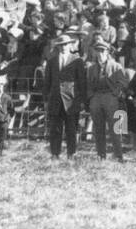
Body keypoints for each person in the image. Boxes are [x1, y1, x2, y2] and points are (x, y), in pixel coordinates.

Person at [85, 37, 129, 161]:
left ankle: (118, 155)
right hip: (96, 98)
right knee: (98, 128)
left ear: (108, 52)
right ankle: (101, 155)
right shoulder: (91, 68)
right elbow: (88, 84)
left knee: (115, 129)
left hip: (111, 98)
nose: (100, 53)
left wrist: (116, 93)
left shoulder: (116, 66)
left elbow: (123, 82)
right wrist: (91, 96)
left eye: (103, 51)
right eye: (97, 51)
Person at [43, 31, 85, 159]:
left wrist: (81, 100)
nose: (63, 47)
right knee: (55, 129)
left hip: (71, 101)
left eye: (65, 44)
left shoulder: (77, 61)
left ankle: (71, 153)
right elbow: (47, 82)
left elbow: (82, 82)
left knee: (71, 129)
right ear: (58, 46)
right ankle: (55, 153)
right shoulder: (51, 61)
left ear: (70, 45)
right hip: (55, 99)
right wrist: (46, 100)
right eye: (60, 45)